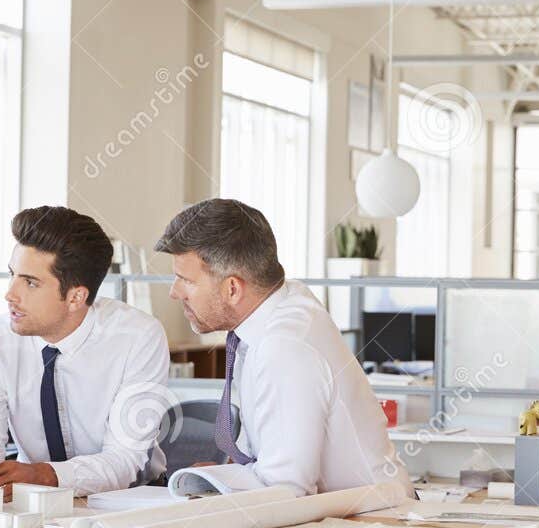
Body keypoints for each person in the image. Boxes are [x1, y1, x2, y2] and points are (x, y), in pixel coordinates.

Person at [154, 198, 402, 494]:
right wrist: (226, 475)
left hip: (369, 519)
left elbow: (287, 488)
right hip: (344, 514)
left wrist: (219, 481)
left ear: (232, 288)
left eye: (186, 280)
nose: (174, 292)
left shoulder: (284, 346)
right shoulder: (276, 308)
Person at [0, 206, 170, 495]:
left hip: (130, 499)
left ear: (76, 297)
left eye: (31, 283)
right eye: (12, 275)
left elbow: (124, 460)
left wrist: (43, 475)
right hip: (29, 496)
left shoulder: (138, 337)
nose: (10, 294)